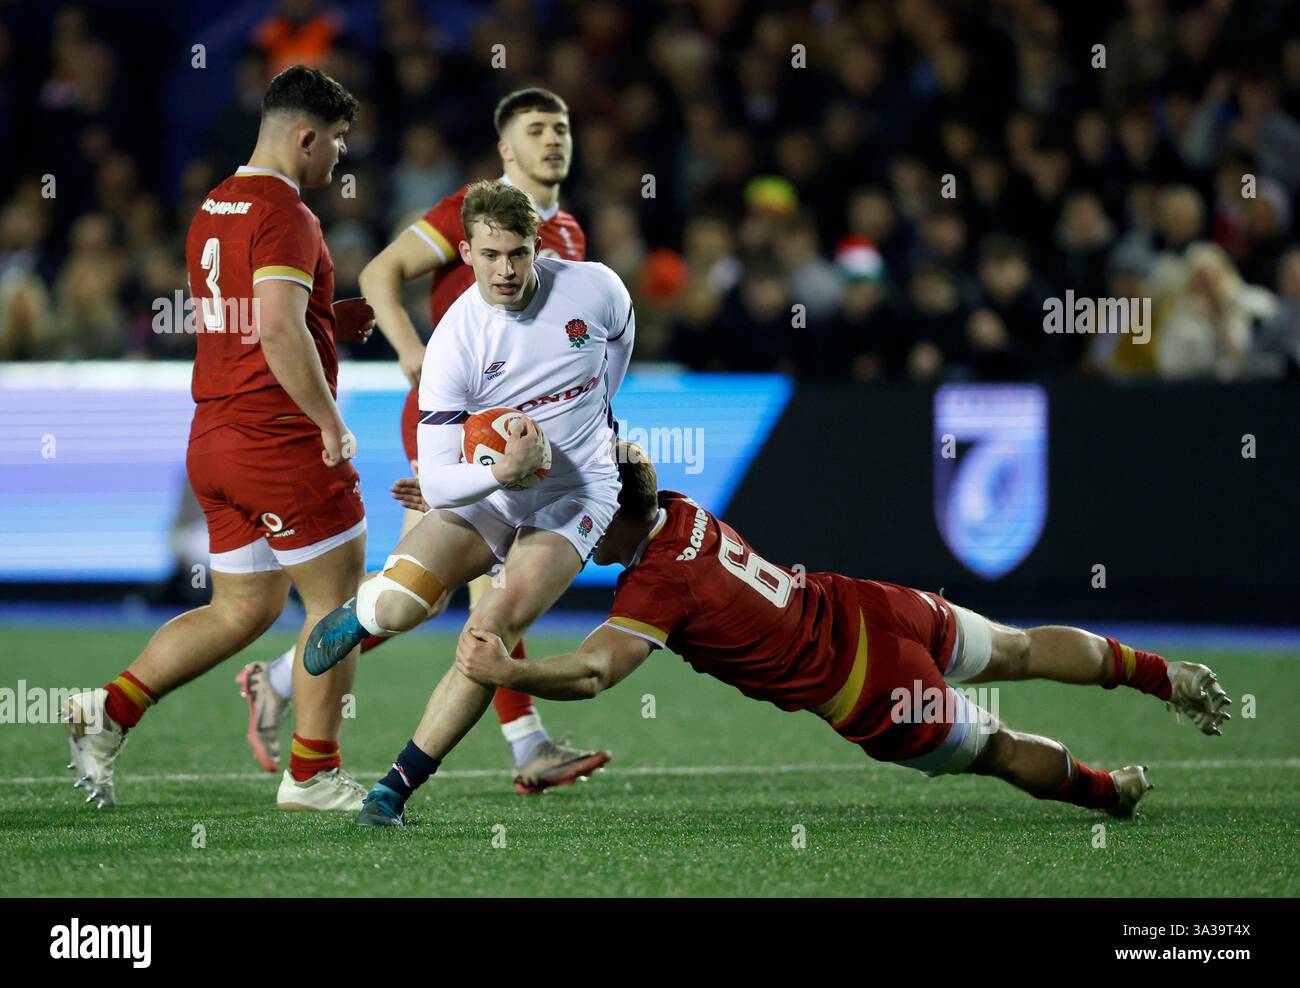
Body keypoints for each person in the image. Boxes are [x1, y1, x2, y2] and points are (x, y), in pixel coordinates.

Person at [416, 442, 1233, 829]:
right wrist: (476, 506)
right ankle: (1162, 675)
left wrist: (504, 670)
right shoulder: (685, 511)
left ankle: (1107, 790)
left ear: (618, 512)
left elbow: (596, 672)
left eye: (588, 515)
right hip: (870, 606)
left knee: (997, 750)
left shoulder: (654, 582)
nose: (580, 530)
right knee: (1018, 648)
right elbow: (605, 482)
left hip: (867, 691)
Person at [235, 88, 603, 790]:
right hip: (458, 421)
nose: (553, 141)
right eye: (535, 129)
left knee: (431, 593)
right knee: (476, 579)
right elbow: (380, 272)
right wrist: (415, 352)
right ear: (505, 147)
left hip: (516, 430)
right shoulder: (475, 206)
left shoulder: (571, 236)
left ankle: (280, 677)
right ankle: (525, 745)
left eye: (561, 128)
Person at [64, 65, 378, 811]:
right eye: (334, 143)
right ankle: (311, 772)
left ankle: (110, 708)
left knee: (243, 610)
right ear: (305, 137)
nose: (338, 159)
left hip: (215, 437)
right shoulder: (287, 214)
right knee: (336, 608)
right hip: (279, 439)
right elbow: (273, 327)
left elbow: (249, 317)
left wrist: (330, 319)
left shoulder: (215, 205)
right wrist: (330, 419)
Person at [305, 180, 633, 803]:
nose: (505, 269)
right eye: (490, 255)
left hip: (576, 494)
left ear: (539, 246)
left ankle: (392, 790)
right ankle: (362, 613)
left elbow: (616, 353)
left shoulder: (597, 288)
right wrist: (497, 475)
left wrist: (589, 426)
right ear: (465, 253)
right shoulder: (456, 340)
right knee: (403, 608)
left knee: (488, 634)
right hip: (493, 491)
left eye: (517, 253)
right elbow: (437, 480)